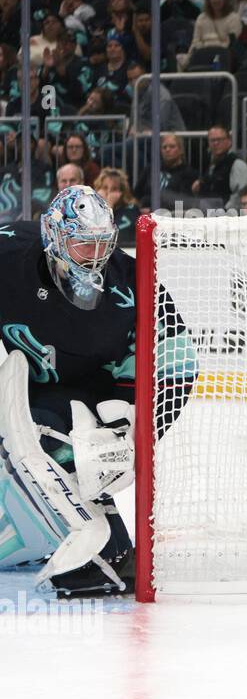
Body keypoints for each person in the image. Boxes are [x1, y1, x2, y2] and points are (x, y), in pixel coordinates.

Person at [0, 186, 144, 597]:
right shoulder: (9, 252)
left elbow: (176, 360)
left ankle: (100, 552)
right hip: (20, 390)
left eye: (102, 244)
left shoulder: (129, 280)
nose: (95, 256)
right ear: (54, 236)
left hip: (89, 396)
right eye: (83, 243)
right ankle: (46, 533)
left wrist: (134, 418)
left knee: (61, 445)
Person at [192, 124, 247, 211]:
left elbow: (243, 195)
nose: (216, 143)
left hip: (230, 218)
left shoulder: (237, 164)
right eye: (212, 140)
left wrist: (224, 212)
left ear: (229, 141)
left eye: (219, 140)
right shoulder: (211, 165)